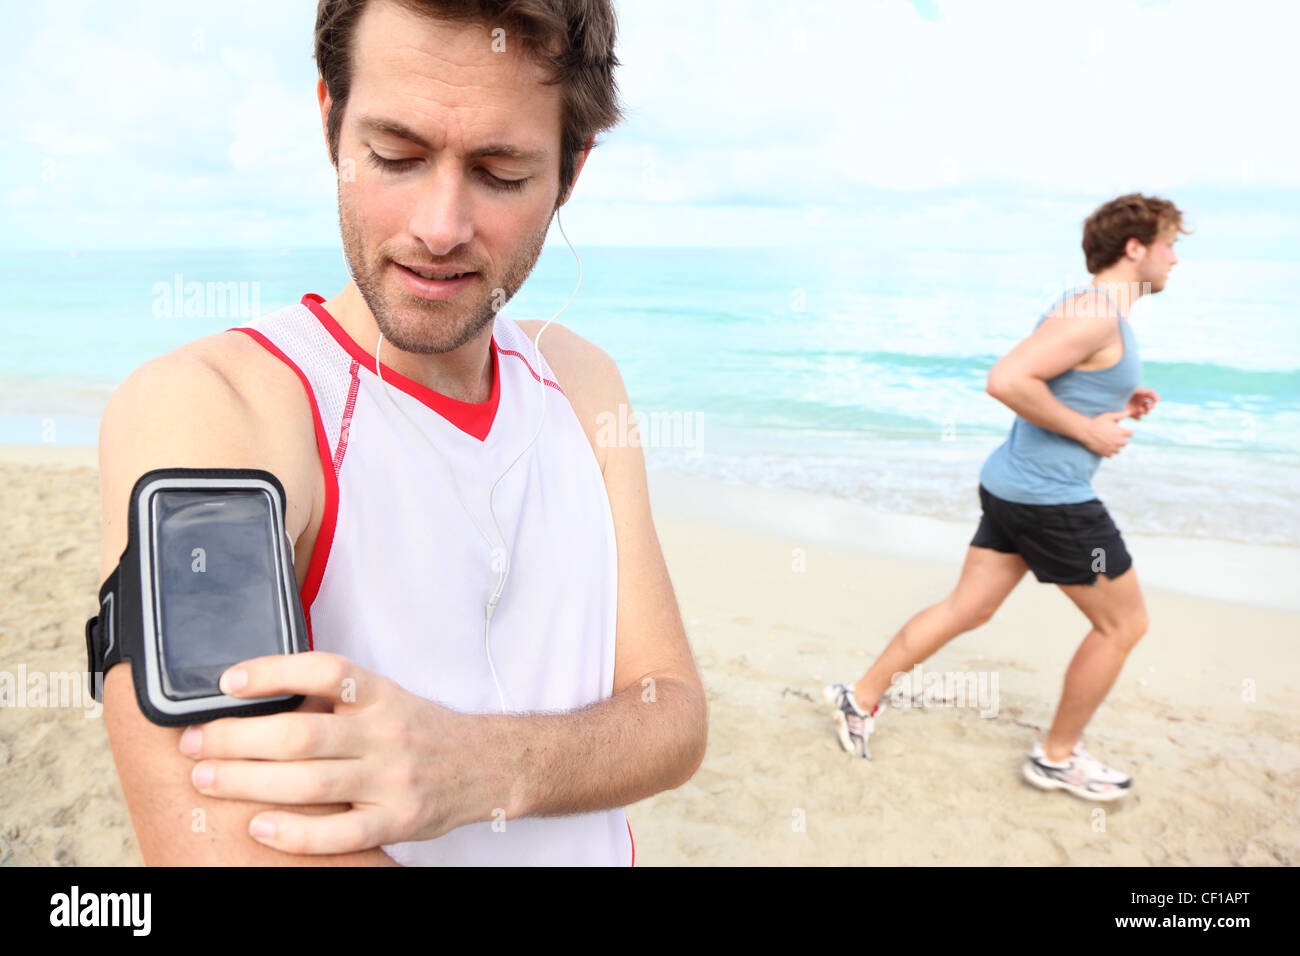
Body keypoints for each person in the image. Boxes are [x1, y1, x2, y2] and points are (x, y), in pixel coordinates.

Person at [97, 0, 706, 865]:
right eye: (395, 156)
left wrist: (487, 765)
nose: (439, 228)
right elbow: (219, 836)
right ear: (330, 122)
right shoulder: (218, 408)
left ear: (572, 169)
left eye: (501, 173)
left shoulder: (581, 383)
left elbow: (672, 711)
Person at [825, 193, 1188, 801]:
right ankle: (1056, 759)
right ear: (1135, 248)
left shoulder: (1096, 311)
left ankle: (858, 700)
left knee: (967, 608)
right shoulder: (1095, 313)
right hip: (1050, 501)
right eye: (1169, 245)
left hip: (1014, 488)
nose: (1175, 259)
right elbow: (1007, 379)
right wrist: (1088, 430)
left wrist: (1114, 403)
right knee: (1123, 625)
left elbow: (1056, 381)